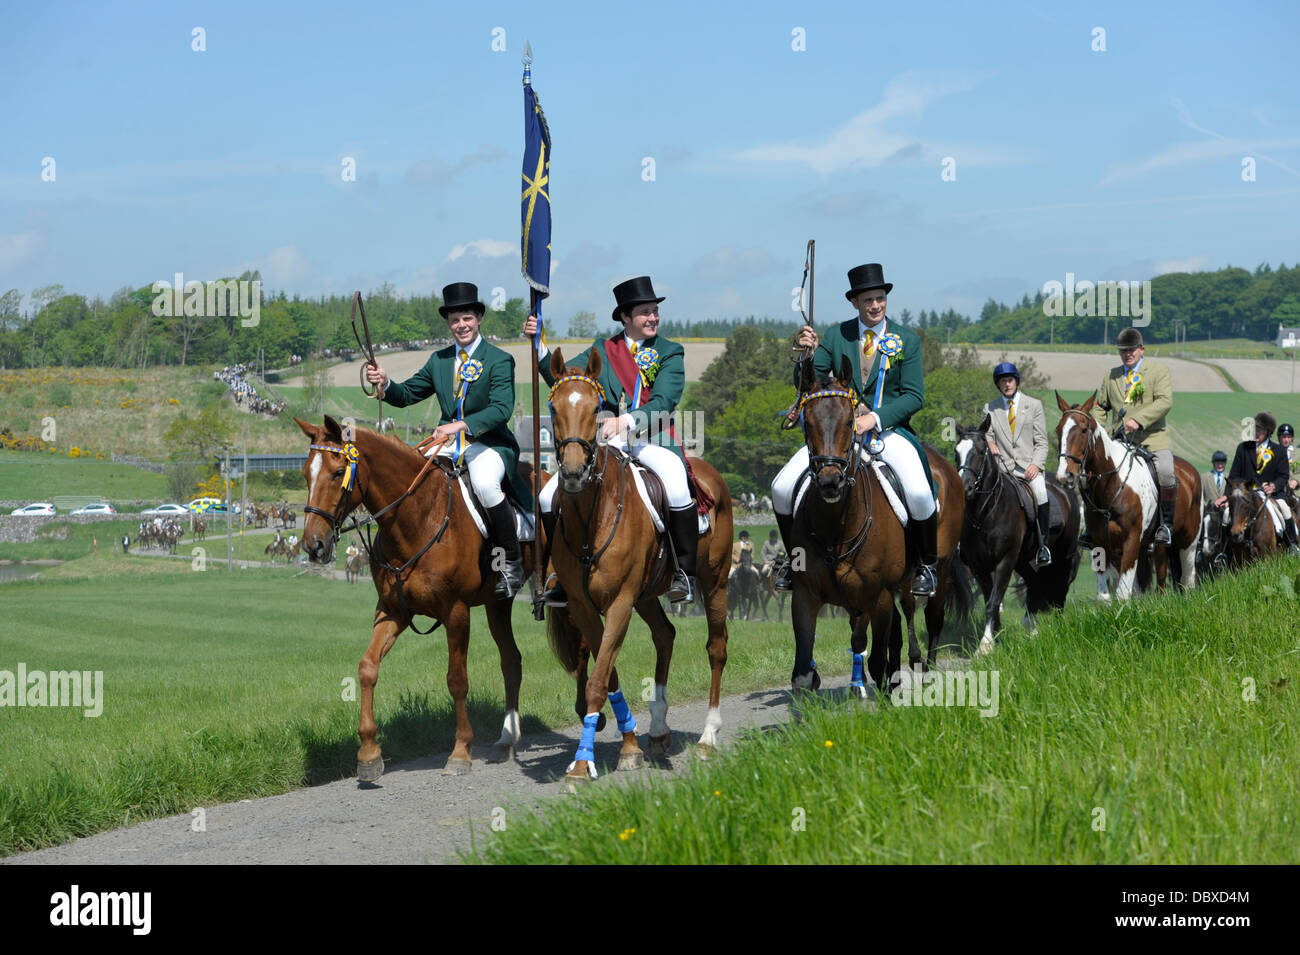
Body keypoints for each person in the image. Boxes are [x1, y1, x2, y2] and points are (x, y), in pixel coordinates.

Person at [524, 275, 697, 605]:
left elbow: (664, 401)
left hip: (653, 439)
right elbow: (564, 380)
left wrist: (626, 420)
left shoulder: (671, 352)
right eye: (645, 312)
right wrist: (539, 345)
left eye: (654, 312)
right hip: (606, 443)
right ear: (625, 317)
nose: (653, 318)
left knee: (675, 484)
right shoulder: (604, 349)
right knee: (547, 497)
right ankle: (560, 571)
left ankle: (683, 573)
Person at [770, 263, 939, 596]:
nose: (874, 306)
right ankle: (796, 562)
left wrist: (873, 418)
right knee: (781, 486)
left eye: (879, 299)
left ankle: (926, 567)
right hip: (836, 435)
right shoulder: (837, 335)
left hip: (889, 431)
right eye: (867, 301)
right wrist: (807, 354)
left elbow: (914, 396)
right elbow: (809, 385)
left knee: (920, 493)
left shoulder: (907, 339)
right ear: (854, 303)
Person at [366, 282, 531, 597]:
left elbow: (501, 409)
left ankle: (511, 563)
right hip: (447, 444)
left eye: (467, 318)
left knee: (484, 483)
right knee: (414, 479)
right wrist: (386, 383)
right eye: (455, 320)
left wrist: (459, 426)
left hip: (490, 443)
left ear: (479, 318)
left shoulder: (499, 359)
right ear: (448, 323)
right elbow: (408, 393)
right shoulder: (439, 361)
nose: (461, 325)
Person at [1090, 327, 1177, 546]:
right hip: (1118, 442)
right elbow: (1101, 406)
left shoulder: (1158, 371)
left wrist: (1139, 420)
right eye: (1123, 351)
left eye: (1132, 350)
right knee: (1091, 475)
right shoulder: (1111, 376)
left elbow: (1165, 401)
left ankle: (1165, 525)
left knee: (1166, 473)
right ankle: (1092, 528)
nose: (1128, 354)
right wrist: (1099, 433)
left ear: (1141, 349)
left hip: (1152, 439)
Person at [982, 361, 1053, 568]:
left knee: (1041, 493)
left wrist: (1036, 465)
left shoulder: (1035, 405)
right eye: (1003, 381)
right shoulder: (990, 407)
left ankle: (1043, 546)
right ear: (999, 384)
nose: (1007, 384)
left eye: (1010, 380)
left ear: (1016, 381)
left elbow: (1041, 442)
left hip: (1027, 467)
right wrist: (990, 442)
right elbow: (985, 434)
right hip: (1002, 468)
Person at [1213, 411, 1300, 554]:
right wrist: (1225, 496)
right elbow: (1234, 475)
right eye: (1254, 428)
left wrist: (1273, 486)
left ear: (1268, 432)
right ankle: (1223, 552)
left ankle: (1293, 545)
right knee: (1226, 514)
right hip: (1245, 495)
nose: (1256, 432)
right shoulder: (1243, 448)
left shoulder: (1278, 451)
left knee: (1285, 509)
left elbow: (1284, 475)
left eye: (1259, 429)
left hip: (1271, 495)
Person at [1279, 422, 1298, 494]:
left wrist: (1296, 481)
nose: (1286, 440)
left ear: (1292, 438)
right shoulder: (1272, 451)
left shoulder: (1297, 454)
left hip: (1293, 492)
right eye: (1284, 437)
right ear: (1279, 437)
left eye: (1289, 437)